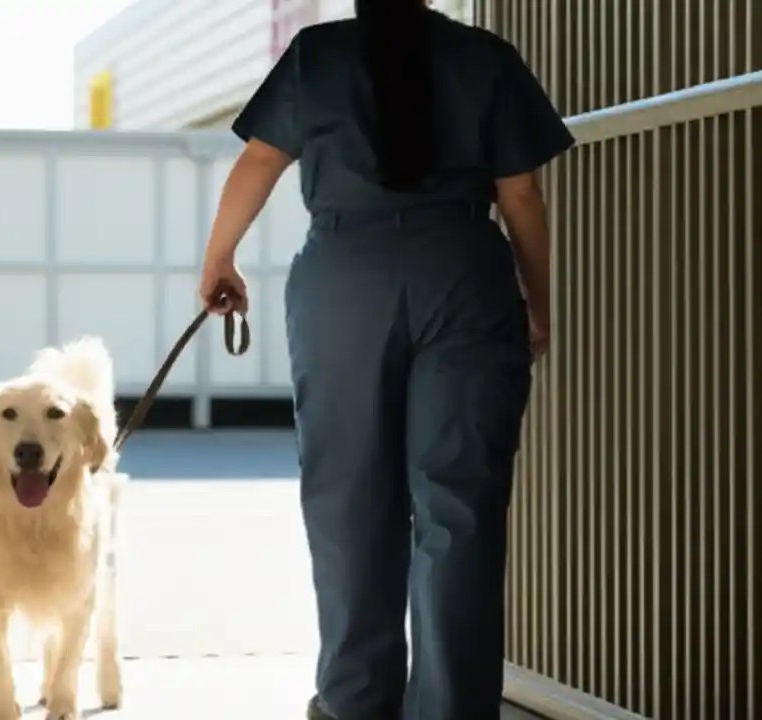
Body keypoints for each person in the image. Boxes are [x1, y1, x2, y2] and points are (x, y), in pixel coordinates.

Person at [198, 1, 573, 717]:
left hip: (344, 278)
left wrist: (220, 259)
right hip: (463, 275)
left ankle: (352, 701)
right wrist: (537, 299)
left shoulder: (317, 55)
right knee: (457, 505)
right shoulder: (483, 54)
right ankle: (453, 708)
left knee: (347, 500)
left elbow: (261, 159)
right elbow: (522, 193)